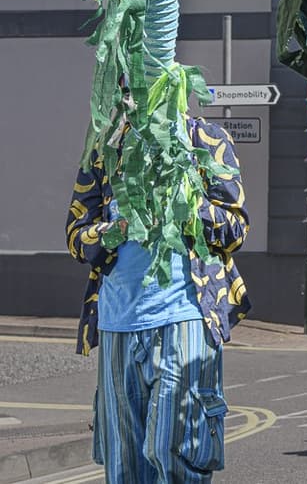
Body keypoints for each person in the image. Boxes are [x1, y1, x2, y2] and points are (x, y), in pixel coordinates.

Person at [67, 117, 250, 482]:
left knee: (176, 452)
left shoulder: (205, 138)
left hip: (186, 315)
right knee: (125, 465)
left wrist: (188, 206)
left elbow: (236, 228)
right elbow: (76, 234)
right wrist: (108, 232)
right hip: (117, 323)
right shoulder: (106, 146)